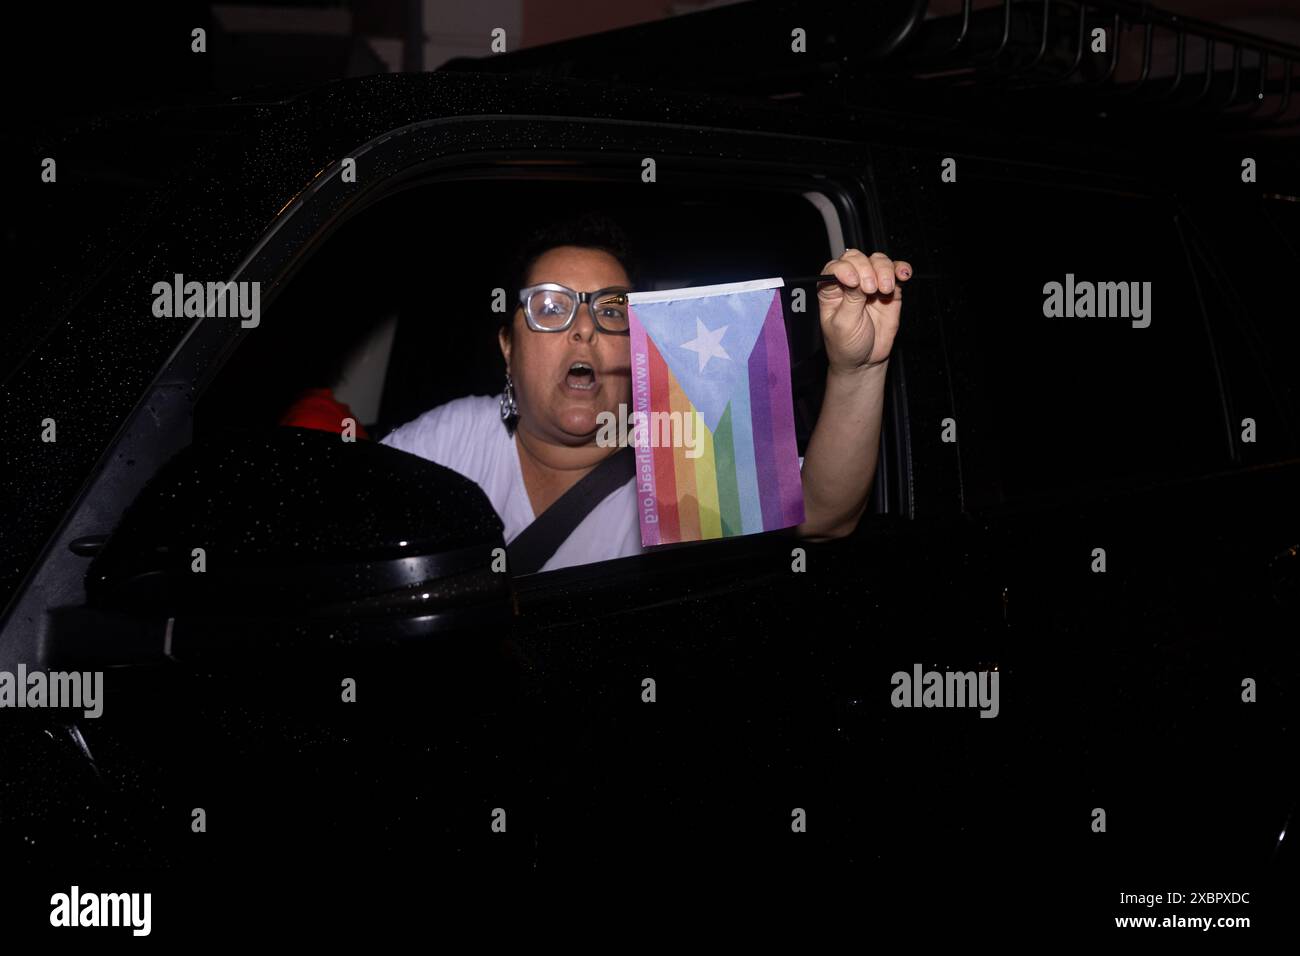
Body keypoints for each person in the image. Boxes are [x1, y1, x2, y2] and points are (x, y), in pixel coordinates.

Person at [381, 213, 910, 573]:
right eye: (549, 306)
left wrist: (858, 370)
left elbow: (823, 516)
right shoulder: (453, 441)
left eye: (611, 309)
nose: (583, 328)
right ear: (507, 348)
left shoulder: (680, 452)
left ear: (640, 344)